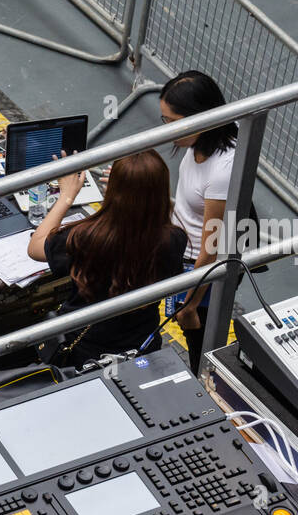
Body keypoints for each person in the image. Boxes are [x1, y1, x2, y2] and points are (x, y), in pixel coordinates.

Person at [27, 149, 188, 365]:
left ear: (114, 191)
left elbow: (35, 247)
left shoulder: (87, 237)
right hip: (141, 348)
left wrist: (67, 195)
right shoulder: (174, 239)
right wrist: (134, 189)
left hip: (84, 351)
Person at [158, 70, 239, 372]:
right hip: (183, 255)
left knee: (201, 349)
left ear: (200, 118)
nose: (165, 129)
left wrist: (190, 306)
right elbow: (187, 205)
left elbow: (212, 248)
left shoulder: (223, 170)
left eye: (171, 122)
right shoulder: (197, 146)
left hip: (198, 270)